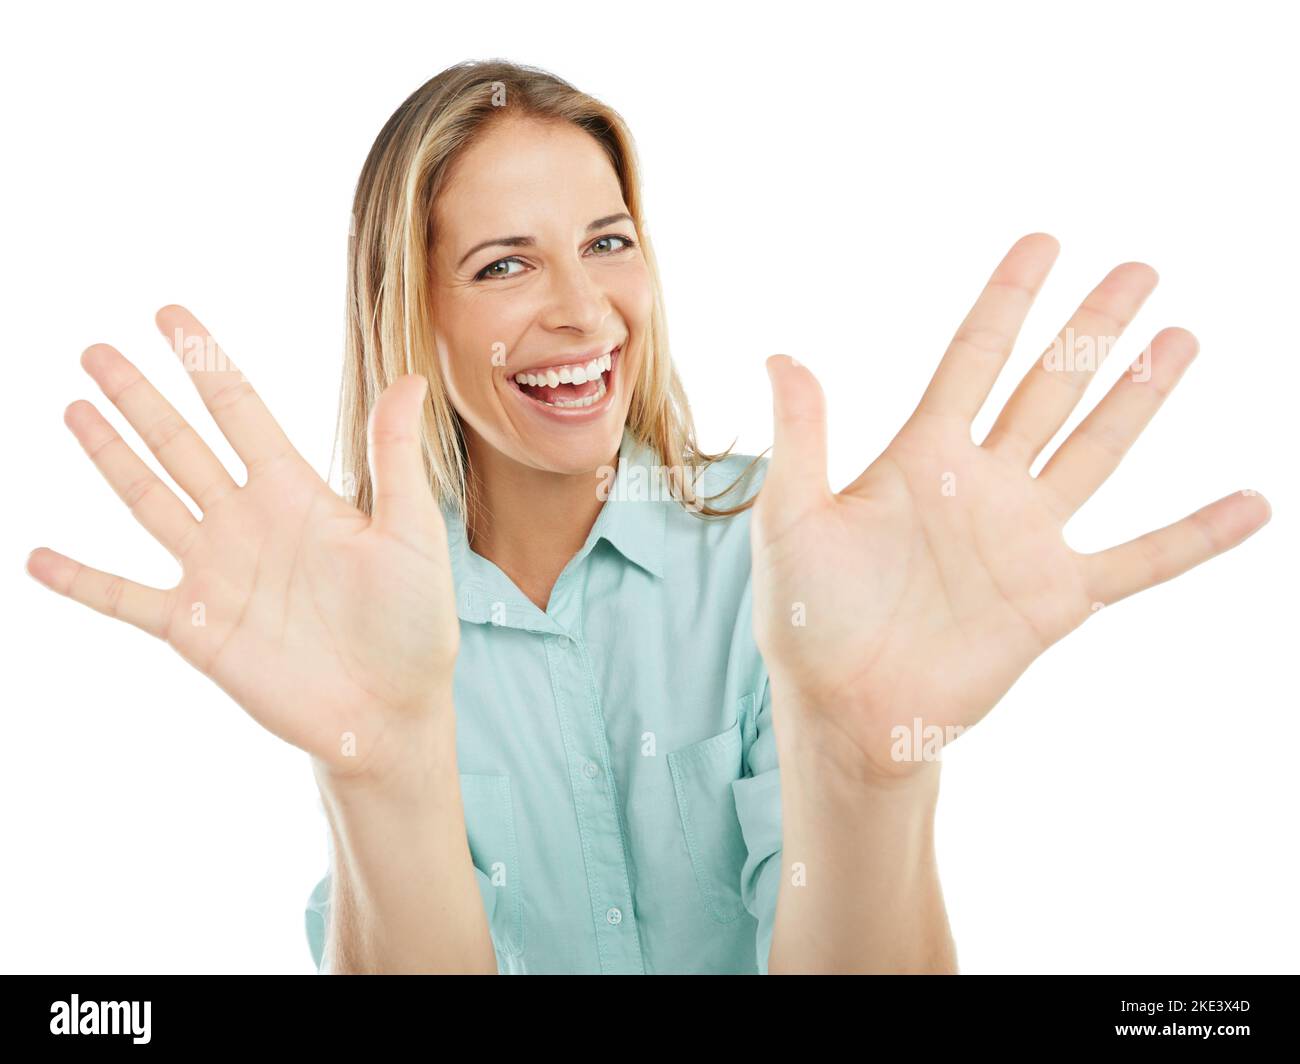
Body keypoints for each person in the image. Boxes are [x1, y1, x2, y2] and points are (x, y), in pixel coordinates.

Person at [27, 59, 1271, 975]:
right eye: (504, 263)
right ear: (410, 305)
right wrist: (380, 763)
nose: (583, 309)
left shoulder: (786, 558)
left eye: (607, 242)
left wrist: (865, 770)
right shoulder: (367, 614)